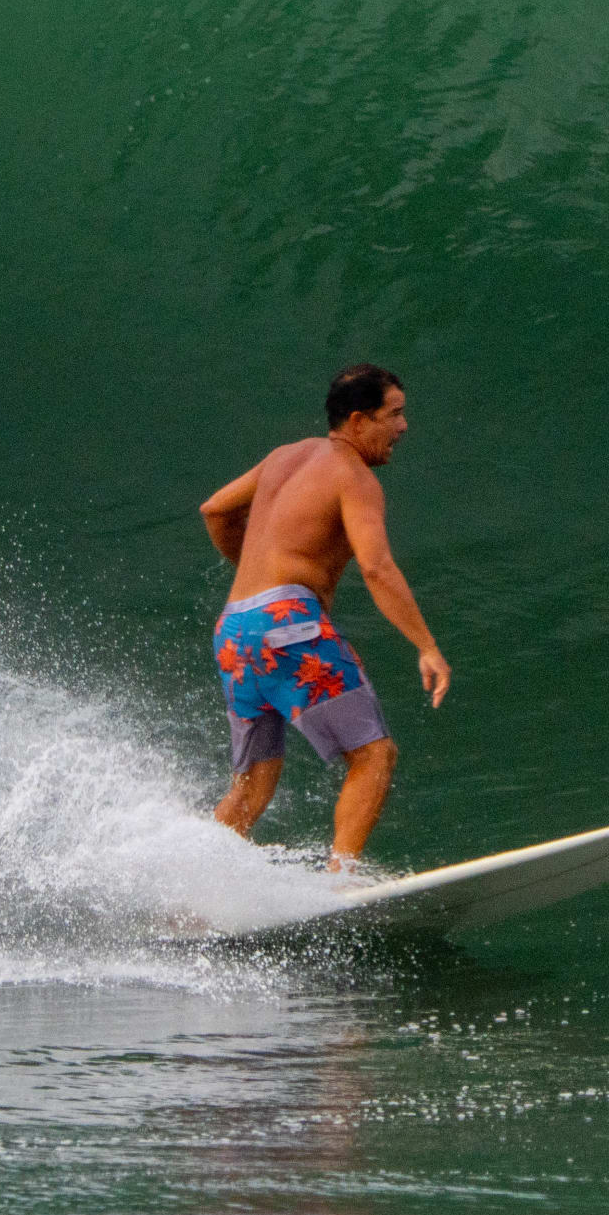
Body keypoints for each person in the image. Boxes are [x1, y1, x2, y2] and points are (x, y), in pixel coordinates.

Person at [198, 363, 453, 866]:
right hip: (289, 627)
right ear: (358, 421)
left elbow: (215, 510)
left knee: (252, 785)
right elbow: (377, 568)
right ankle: (343, 879)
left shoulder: (283, 457)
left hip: (233, 631)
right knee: (374, 756)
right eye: (394, 414)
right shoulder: (352, 476)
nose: (403, 427)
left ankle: (192, 888)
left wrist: (252, 575)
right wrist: (427, 646)